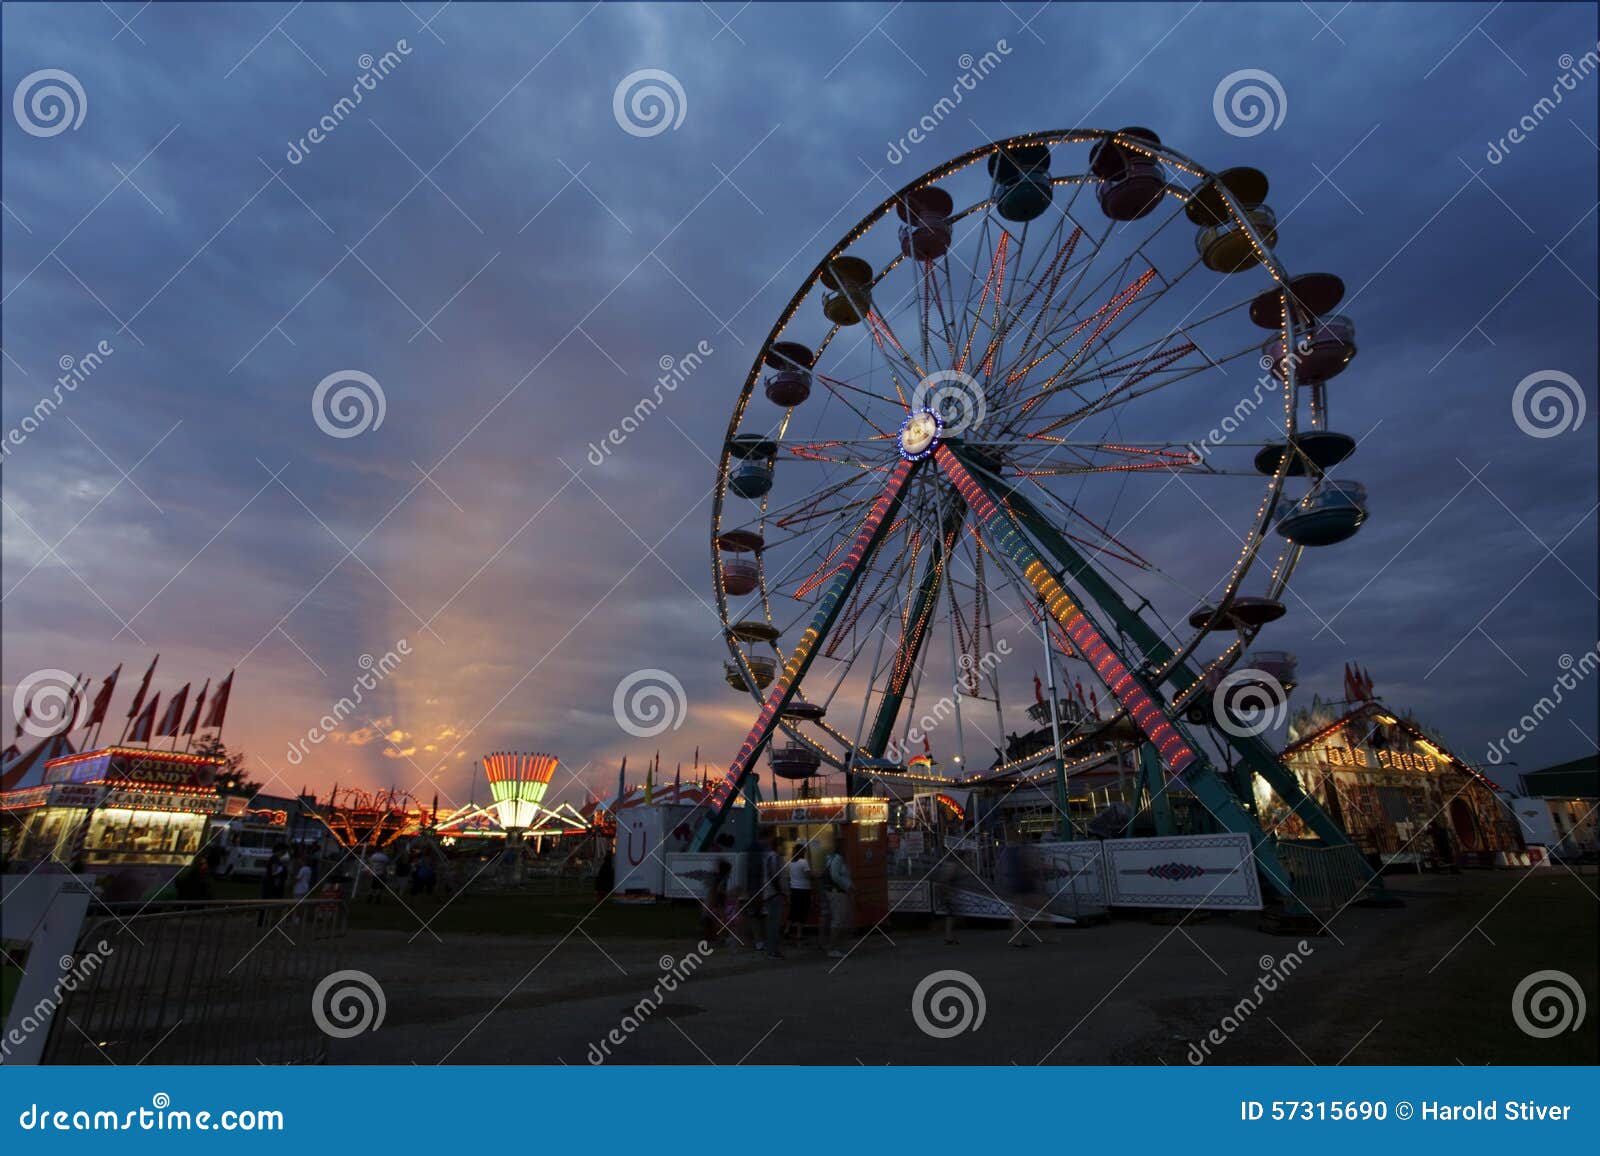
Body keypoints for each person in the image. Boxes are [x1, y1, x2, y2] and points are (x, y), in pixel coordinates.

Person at [822, 845, 854, 959]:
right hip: (838, 893)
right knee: (838, 920)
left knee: (835, 919)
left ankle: (830, 945)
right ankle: (832, 948)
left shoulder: (831, 858)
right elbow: (835, 876)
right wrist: (847, 886)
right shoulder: (838, 858)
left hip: (831, 892)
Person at [756, 841, 786, 958]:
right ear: (778, 846)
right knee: (774, 924)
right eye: (783, 846)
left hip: (770, 894)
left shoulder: (770, 857)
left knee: (772, 923)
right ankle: (772, 951)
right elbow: (774, 876)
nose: (785, 849)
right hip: (774, 895)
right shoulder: (774, 858)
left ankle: (772, 949)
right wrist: (780, 891)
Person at [786, 845, 813, 942]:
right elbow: (808, 875)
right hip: (804, 889)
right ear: (802, 852)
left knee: (793, 911)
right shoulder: (804, 862)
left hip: (794, 889)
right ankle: (799, 934)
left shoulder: (791, 863)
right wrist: (818, 875)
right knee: (802, 911)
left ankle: (787, 930)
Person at [703, 860, 732, 943]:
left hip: (716, 900)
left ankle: (716, 936)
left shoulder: (717, 877)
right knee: (721, 919)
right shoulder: (722, 879)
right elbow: (717, 890)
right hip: (718, 900)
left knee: (716, 919)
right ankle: (720, 937)